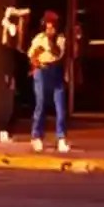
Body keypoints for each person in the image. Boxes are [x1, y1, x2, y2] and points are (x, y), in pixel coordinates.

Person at [29, 11, 70, 153]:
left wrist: (50, 40)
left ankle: (61, 137)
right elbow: (31, 54)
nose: (49, 29)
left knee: (60, 106)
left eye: (52, 27)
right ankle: (37, 136)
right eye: (47, 26)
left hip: (56, 71)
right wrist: (35, 62)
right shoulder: (39, 38)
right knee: (40, 103)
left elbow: (58, 53)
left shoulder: (60, 39)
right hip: (42, 71)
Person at [0, 7, 32, 143]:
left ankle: (7, 130)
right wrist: (9, 77)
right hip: (13, 74)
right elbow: (8, 57)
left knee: (18, 103)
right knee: (14, 104)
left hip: (18, 73)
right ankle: (5, 130)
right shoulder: (11, 41)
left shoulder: (19, 45)